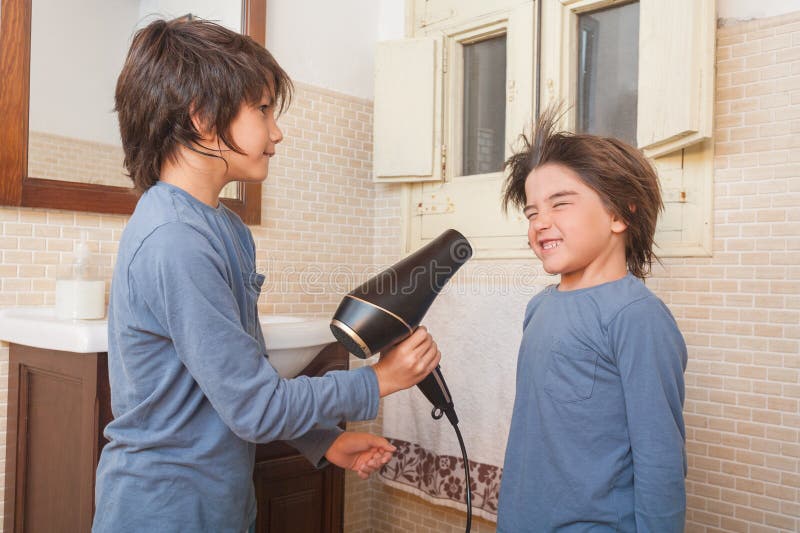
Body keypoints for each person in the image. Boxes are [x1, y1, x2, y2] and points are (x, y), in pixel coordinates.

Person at [93, 18, 441, 533]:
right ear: (204, 118)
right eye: (261, 110)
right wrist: (378, 380)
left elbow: (239, 382)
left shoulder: (225, 229)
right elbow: (256, 407)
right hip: (162, 509)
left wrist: (324, 440)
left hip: (222, 503)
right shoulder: (174, 239)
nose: (277, 131)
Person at [497, 107, 688, 532]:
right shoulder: (539, 307)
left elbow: (660, 460)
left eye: (560, 204)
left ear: (620, 214)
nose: (540, 223)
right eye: (531, 213)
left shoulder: (638, 318)